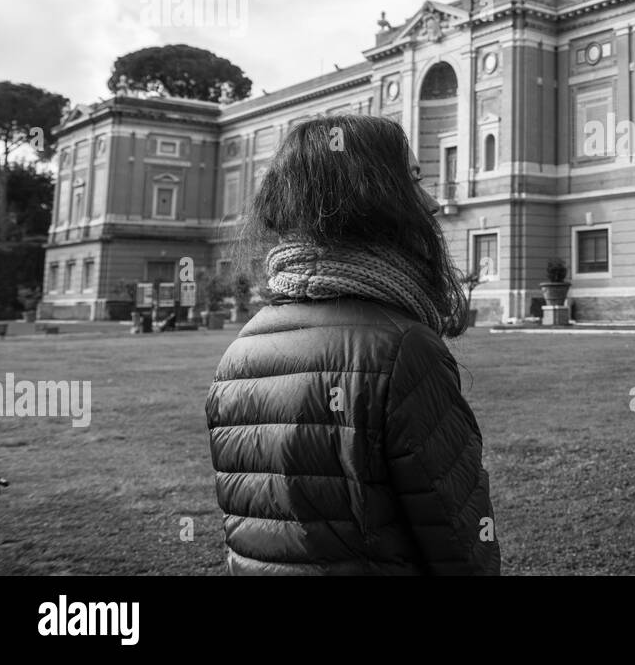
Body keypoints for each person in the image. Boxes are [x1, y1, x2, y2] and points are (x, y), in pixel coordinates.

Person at [205, 115, 500, 575]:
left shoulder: (240, 352)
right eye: (414, 181)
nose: (434, 204)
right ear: (372, 199)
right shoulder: (403, 350)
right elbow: (457, 540)